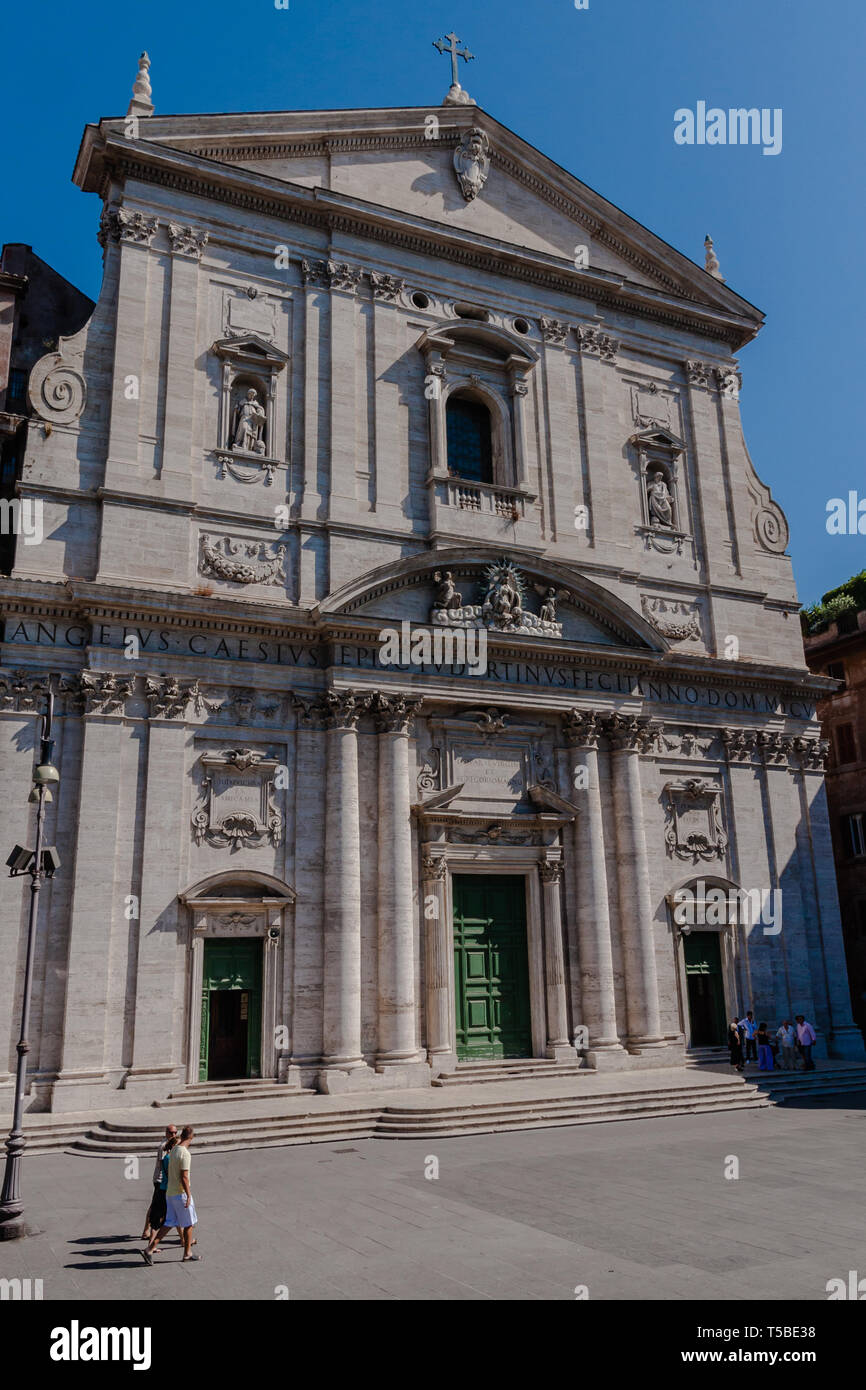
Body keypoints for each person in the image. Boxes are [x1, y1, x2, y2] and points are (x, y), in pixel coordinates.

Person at [142, 1125, 200, 1264]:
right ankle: (187, 1253)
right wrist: (188, 1194)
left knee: (169, 1223)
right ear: (191, 1137)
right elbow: (184, 1177)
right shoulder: (185, 1153)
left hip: (170, 1193)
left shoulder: (174, 1150)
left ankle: (150, 1249)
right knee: (189, 1224)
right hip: (180, 1193)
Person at [141, 1124, 177, 1241]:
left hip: (164, 1180)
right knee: (157, 1207)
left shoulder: (171, 1145)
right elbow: (164, 1165)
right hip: (160, 1180)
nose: (174, 1135)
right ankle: (147, 1230)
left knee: (160, 1206)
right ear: (166, 1133)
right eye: (171, 1132)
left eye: (175, 1132)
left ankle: (148, 1230)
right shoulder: (164, 1147)